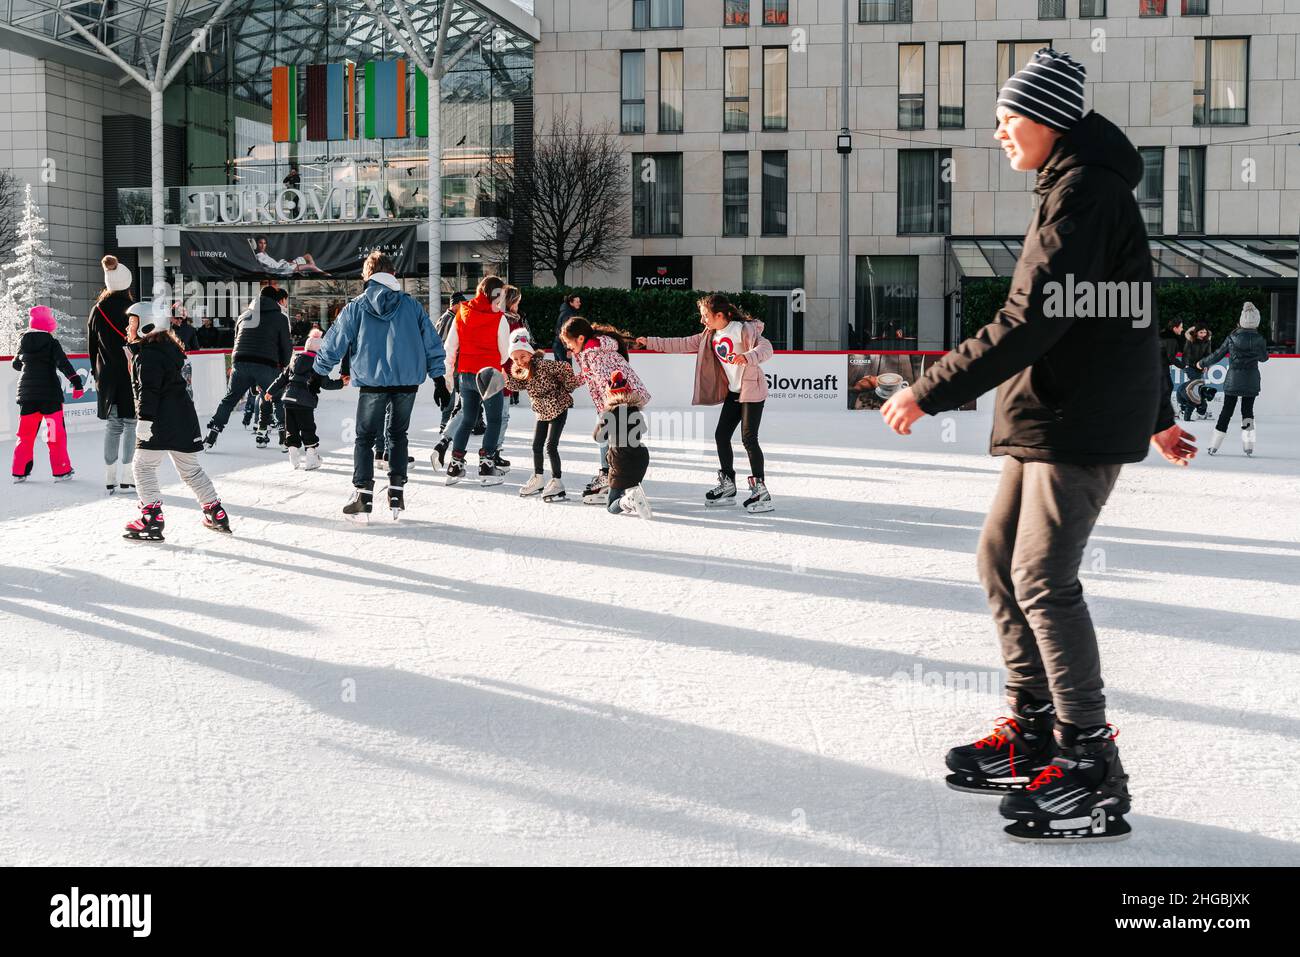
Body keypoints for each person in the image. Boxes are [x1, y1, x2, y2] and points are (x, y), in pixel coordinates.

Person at [878, 48, 1196, 843]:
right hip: (1053, 414)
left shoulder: (1086, 193)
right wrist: (1158, 410)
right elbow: (1126, 312)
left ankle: (1090, 764)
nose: (996, 133)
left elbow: (1033, 318)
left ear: (1049, 118)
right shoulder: (1074, 187)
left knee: (1042, 578)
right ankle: (1032, 729)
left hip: (1074, 421)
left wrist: (929, 386)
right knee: (999, 562)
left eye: (1006, 118)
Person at [312, 249, 448, 519]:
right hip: (407, 383)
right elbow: (432, 343)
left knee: (364, 438)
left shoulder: (357, 306)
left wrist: (318, 372)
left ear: (368, 275)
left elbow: (335, 341)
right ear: (393, 274)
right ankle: (396, 492)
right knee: (398, 435)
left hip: (373, 383)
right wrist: (439, 379)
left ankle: (363, 495)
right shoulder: (411, 306)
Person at [637, 293, 775, 513]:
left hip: (752, 391)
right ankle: (728, 484)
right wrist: (650, 341)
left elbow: (766, 349)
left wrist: (748, 356)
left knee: (749, 439)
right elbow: (681, 343)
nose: (702, 320)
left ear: (720, 315)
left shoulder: (744, 329)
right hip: (733, 392)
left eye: (705, 316)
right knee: (721, 436)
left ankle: (760, 489)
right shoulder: (709, 335)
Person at [122, 302, 231, 541]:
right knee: (191, 470)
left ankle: (151, 519)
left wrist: (145, 420)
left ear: (146, 326)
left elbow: (149, 391)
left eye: (132, 323)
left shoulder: (148, 356)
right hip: (183, 420)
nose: (128, 328)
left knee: (142, 467)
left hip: (160, 421)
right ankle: (215, 511)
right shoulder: (168, 350)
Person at [560, 316, 652, 517]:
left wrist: (606, 411)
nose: (568, 347)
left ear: (580, 338)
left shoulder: (594, 354)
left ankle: (606, 475)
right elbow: (589, 376)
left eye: (569, 342)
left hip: (615, 400)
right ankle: (619, 477)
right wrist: (570, 384)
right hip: (627, 398)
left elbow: (603, 380)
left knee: (606, 437)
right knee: (626, 437)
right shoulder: (594, 348)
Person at [203, 285, 293, 450]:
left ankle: (211, 435)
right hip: (266, 364)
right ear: (275, 300)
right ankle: (283, 438)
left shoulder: (243, 315)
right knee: (277, 398)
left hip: (240, 362)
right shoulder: (280, 317)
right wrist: (283, 366)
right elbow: (286, 346)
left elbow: (237, 340)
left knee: (229, 399)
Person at [440, 275, 510, 486]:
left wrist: (449, 373)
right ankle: (487, 464)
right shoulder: (499, 318)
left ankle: (455, 464)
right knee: (494, 419)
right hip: (489, 374)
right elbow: (505, 352)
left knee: (468, 419)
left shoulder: (461, 311)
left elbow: (450, 346)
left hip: (466, 374)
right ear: (495, 294)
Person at [11, 306, 84, 483]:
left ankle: (19, 472)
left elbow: (15, 364)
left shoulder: (23, 342)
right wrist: (77, 383)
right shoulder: (51, 343)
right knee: (54, 435)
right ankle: (61, 471)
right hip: (49, 397)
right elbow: (63, 364)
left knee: (25, 435)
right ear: (48, 325)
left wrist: (30, 368)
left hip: (27, 397)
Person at [508, 328, 581, 501]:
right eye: (516, 359)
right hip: (541, 411)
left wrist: (569, 385)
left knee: (551, 446)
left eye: (523, 357)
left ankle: (557, 482)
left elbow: (564, 366)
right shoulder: (522, 371)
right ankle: (539, 478)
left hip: (558, 407)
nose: (520, 361)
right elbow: (518, 385)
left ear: (531, 354)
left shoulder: (544, 365)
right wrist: (505, 380)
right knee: (536, 445)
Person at [87, 255, 138, 495]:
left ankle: (109, 478)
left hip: (107, 374)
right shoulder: (133, 310)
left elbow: (91, 348)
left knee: (113, 425)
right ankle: (128, 477)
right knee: (130, 424)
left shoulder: (97, 310)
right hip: (130, 373)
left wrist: (97, 375)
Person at [263, 328, 345, 470]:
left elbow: (282, 378)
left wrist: (270, 391)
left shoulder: (295, 360)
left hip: (288, 400)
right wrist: (341, 383)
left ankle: (293, 454)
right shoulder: (318, 364)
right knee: (307, 428)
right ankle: (311, 457)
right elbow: (326, 384)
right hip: (305, 402)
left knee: (292, 428)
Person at [1199, 302, 1269, 456]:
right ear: (1256, 321)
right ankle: (1248, 445)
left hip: (1233, 380)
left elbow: (1217, 354)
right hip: (1251, 380)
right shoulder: (1259, 339)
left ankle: (1213, 445)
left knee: (1226, 411)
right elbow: (1264, 358)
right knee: (1248, 412)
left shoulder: (1232, 337)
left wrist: (1202, 363)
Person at [253, 236, 328, 276]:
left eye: (264, 243)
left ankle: (311, 272)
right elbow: (275, 268)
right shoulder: (260, 257)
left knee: (308, 256)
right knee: (311, 266)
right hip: (286, 269)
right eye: (260, 243)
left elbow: (275, 264)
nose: (263, 245)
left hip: (286, 265)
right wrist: (287, 264)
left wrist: (287, 262)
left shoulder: (264, 254)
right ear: (256, 244)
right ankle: (326, 275)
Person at [552, 292, 582, 362]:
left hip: (558, 344)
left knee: (560, 370)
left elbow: (558, 329)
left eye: (579, 301)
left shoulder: (566, 312)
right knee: (567, 370)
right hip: (562, 347)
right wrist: (568, 349)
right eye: (577, 302)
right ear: (571, 303)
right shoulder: (568, 314)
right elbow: (564, 332)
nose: (579, 303)